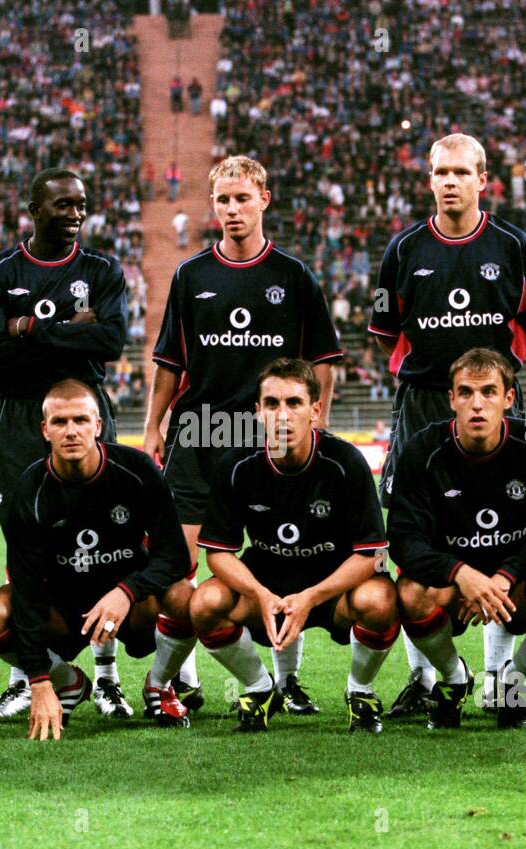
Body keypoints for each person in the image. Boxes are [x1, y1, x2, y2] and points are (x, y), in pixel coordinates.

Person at [144, 155, 343, 716]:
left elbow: (323, 357)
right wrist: (152, 426)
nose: (232, 209)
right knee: (177, 568)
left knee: (280, 557)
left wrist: (317, 418)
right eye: (223, 200)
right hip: (200, 436)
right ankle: (170, 680)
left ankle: (287, 682)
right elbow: (169, 362)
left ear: (263, 200)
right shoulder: (190, 276)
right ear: (214, 207)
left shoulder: (293, 275)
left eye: (242, 198)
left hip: (270, 441)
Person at [367, 132, 526, 719]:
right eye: (440, 172)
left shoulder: (513, 245)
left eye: (460, 172)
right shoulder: (403, 249)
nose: (449, 181)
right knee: (413, 526)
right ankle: (427, 680)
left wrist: (492, 379)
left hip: (495, 403)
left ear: (482, 179)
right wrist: (429, 378)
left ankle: (502, 676)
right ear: (430, 180)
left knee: (509, 529)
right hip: (424, 400)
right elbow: (384, 331)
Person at [0, 167, 128, 720]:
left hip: (83, 412)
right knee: (21, 540)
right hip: (18, 421)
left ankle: (107, 677)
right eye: (63, 204)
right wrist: (68, 329)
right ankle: (27, 674)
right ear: (34, 208)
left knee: (102, 534)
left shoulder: (102, 269)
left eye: (81, 204)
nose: (75, 213)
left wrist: (29, 328)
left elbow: (110, 339)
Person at [0, 379, 195, 739]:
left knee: (187, 597)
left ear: (98, 425)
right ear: (45, 430)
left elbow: (172, 556)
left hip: (131, 604)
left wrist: (127, 591)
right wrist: (40, 681)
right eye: (60, 422)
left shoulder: (137, 471)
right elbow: (27, 593)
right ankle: (68, 681)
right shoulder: (29, 492)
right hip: (62, 610)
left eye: (80, 420)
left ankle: (159, 684)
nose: (71, 431)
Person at [191, 359, 396, 733]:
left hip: (333, 588)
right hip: (266, 585)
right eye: (271, 404)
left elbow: (370, 555)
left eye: (294, 403)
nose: (282, 415)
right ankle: (260, 688)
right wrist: (260, 594)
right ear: (257, 412)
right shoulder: (237, 465)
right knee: (204, 604)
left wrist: (312, 597)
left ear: (315, 410)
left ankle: (360, 692)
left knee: (380, 601)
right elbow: (218, 553)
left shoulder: (346, 462)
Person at [388, 348, 526, 729]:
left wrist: (504, 576)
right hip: (452, 587)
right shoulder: (422, 449)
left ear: (509, 398)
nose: (477, 404)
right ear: (451, 398)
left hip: (513, 585)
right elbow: (404, 539)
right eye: (466, 393)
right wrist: (459, 573)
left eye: (488, 392)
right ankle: (454, 678)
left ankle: (512, 678)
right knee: (409, 592)